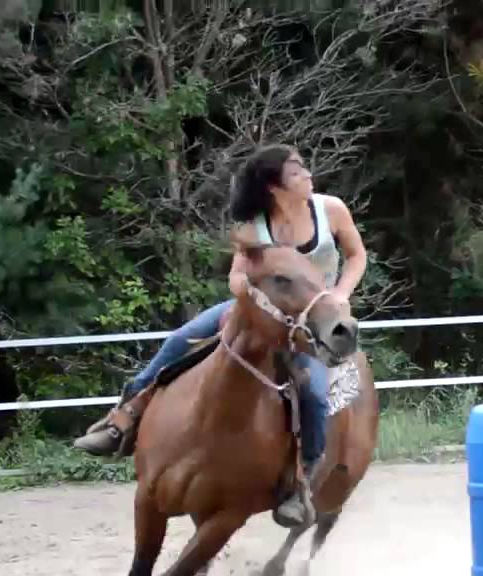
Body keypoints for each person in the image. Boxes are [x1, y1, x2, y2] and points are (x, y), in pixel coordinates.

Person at [72, 144, 368, 526]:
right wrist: (251, 301)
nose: (308, 175)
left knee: (311, 392)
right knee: (179, 340)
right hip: (262, 312)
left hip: (313, 321)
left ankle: (301, 481)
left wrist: (340, 295)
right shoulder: (251, 228)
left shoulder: (331, 210)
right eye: (296, 172)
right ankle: (124, 418)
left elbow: (357, 256)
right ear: (273, 187)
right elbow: (236, 278)